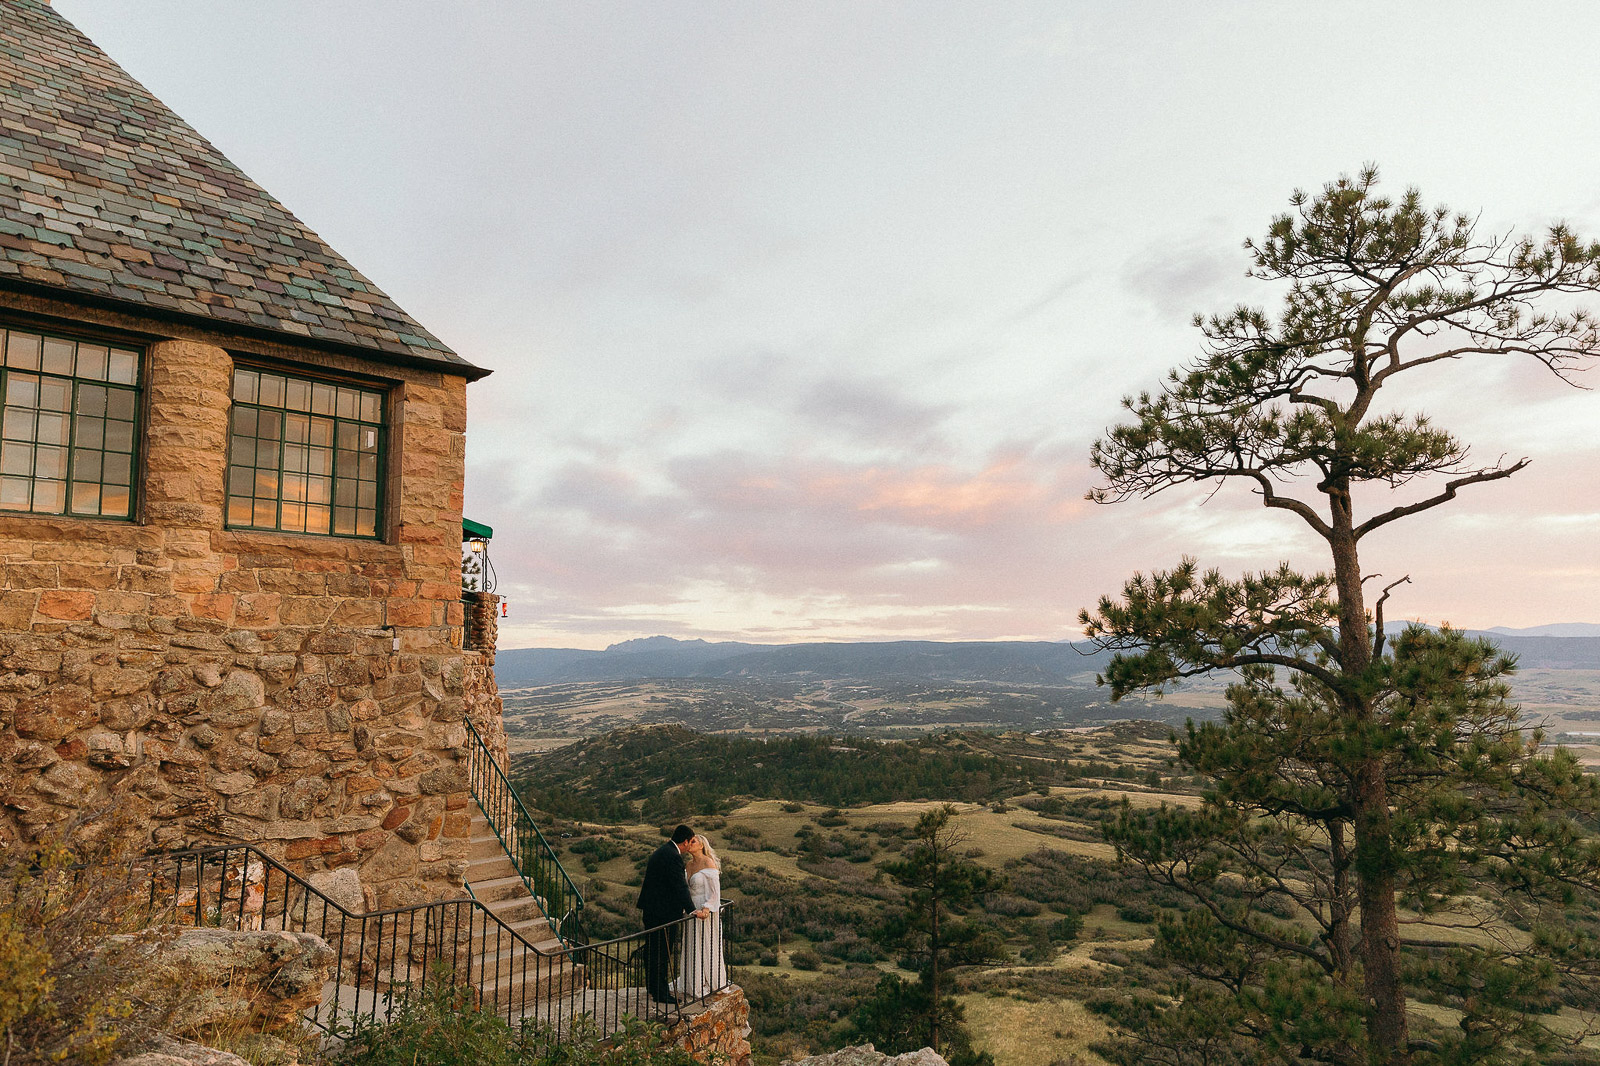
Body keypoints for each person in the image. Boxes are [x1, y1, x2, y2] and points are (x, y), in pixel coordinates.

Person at [638, 823, 697, 1004]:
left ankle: (653, 987)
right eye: (691, 841)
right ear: (685, 841)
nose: (691, 845)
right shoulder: (673, 857)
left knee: (653, 951)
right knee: (661, 953)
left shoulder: (663, 851)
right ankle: (661, 993)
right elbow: (680, 886)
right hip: (662, 913)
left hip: (652, 910)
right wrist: (692, 910)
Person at [674, 833, 726, 1001]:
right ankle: (693, 980)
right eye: (689, 841)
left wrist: (707, 909)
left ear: (701, 845)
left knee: (706, 943)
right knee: (692, 944)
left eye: (693, 841)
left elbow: (715, 892)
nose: (690, 843)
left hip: (705, 911)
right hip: (691, 910)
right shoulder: (688, 865)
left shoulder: (708, 863)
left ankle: (708, 979)